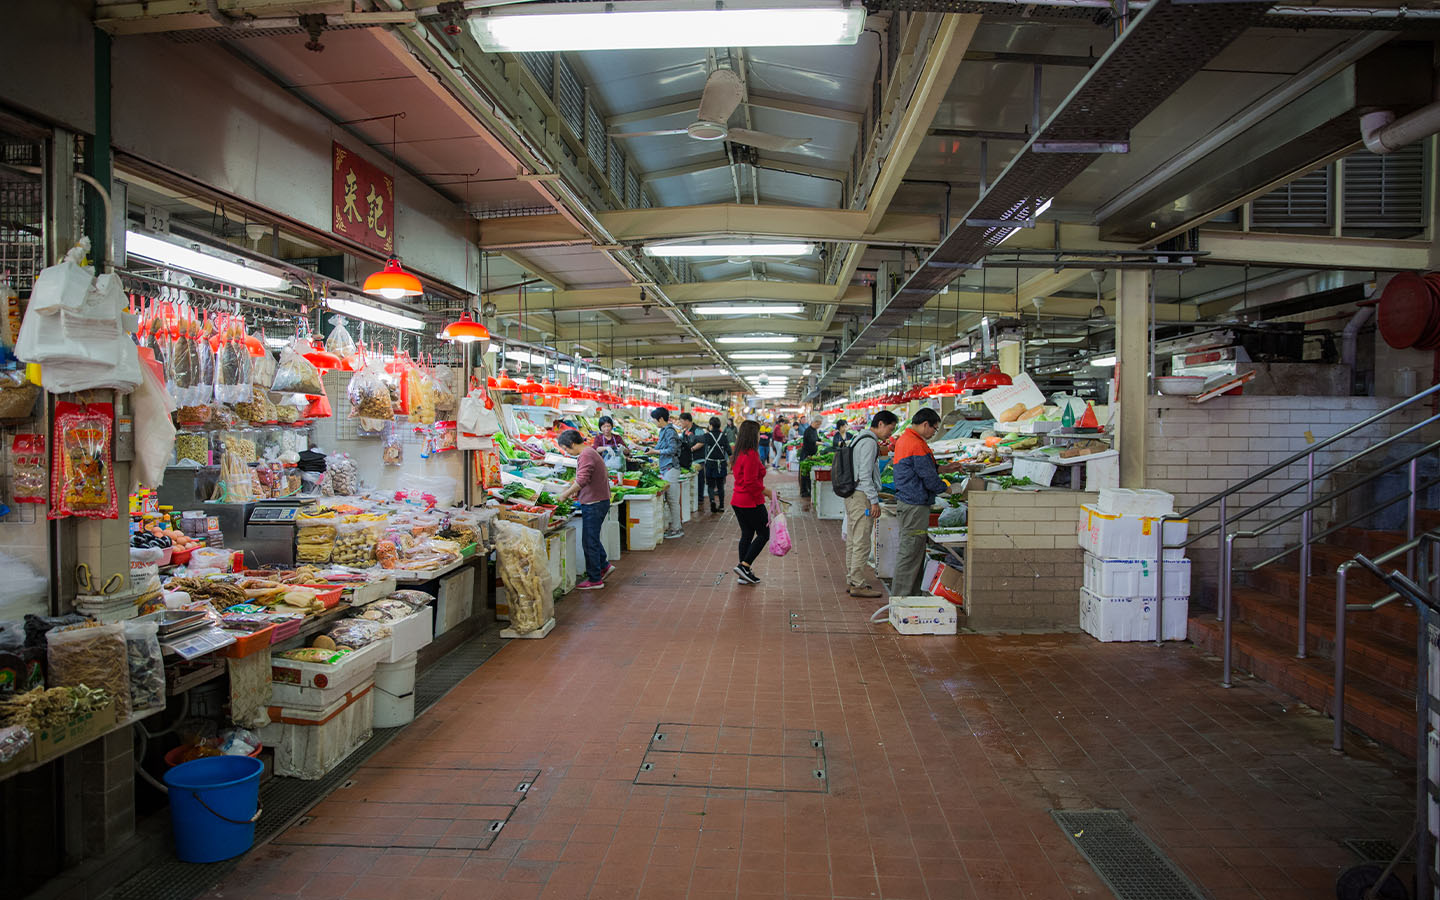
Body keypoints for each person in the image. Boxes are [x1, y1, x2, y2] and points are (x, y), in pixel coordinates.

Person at [890, 407, 959, 596]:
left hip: (910, 503)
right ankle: (900, 601)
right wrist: (950, 490)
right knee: (910, 554)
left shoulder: (907, 439)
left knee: (914, 553)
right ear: (925, 424)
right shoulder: (916, 444)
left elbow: (922, 468)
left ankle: (909, 598)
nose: (933, 433)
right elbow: (928, 477)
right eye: (934, 429)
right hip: (914, 506)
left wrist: (944, 468)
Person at [843, 411, 898, 598]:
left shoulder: (859, 437)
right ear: (881, 424)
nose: (890, 433)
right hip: (861, 496)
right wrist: (874, 500)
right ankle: (857, 583)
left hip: (853, 494)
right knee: (861, 540)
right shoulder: (869, 442)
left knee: (853, 539)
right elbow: (865, 475)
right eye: (890, 429)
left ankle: (852, 579)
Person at [554, 430, 614, 590]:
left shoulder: (586, 455)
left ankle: (595, 579)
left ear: (572, 444)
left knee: (589, 541)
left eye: (566, 449)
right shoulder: (590, 452)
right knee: (592, 538)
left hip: (594, 502)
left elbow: (582, 480)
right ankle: (604, 566)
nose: (567, 452)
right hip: (599, 500)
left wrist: (564, 495)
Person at [730, 420, 773, 585]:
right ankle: (745, 565)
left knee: (747, 534)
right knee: (764, 533)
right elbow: (750, 482)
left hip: (738, 500)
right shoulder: (751, 455)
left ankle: (743, 573)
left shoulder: (739, 453)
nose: (759, 436)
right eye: (757, 433)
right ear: (752, 435)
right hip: (750, 501)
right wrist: (768, 492)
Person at [649, 407, 684, 539]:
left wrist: (654, 452)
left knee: (673, 500)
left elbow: (672, 450)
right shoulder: (663, 431)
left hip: (671, 468)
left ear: (661, 419)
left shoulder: (670, 432)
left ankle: (677, 529)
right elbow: (658, 448)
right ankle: (674, 526)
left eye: (654, 419)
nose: (653, 422)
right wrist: (642, 449)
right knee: (670, 500)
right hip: (665, 468)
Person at [696, 416, 731, 513]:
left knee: (710, 484)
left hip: (710, 463)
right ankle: (722, 505)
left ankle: (712, 501)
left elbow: (697, 439)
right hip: (721, 464)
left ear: (711, 425)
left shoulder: (707, 436)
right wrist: (731, 463)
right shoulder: (723, 436)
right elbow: (729, 450)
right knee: (720, 485)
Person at [796, 414, 819, 509]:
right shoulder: (808, 431)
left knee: (807, 475)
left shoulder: (814, 430)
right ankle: (804, 492)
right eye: (819, 424)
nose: (819, 426)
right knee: (804, 474)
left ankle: (808, 490)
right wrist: (821, 443)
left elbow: (816, 439)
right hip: (806, 455)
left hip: (810, 454)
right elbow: (812, 441)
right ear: (815, 422)